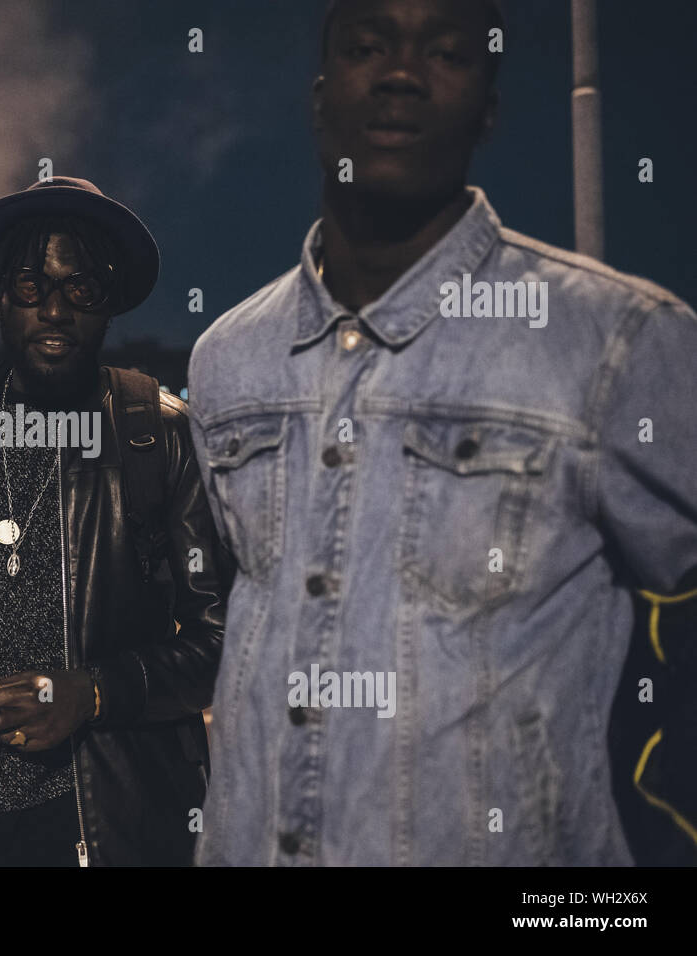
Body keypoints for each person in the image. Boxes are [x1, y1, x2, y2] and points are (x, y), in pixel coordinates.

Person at [188, 0, 697, 865]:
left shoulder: (617, 341)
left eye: (447, 52)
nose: (399, 73)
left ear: (488, 108)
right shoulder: (228, 358)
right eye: (368, 45)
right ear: (320, 97)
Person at [0, 176, 229, 866]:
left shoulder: (162, 436)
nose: (53, 310)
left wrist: (94, 694)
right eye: (29, 286)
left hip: (106, 813)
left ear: (108, 303)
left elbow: (224, 640)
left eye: (80, 289)